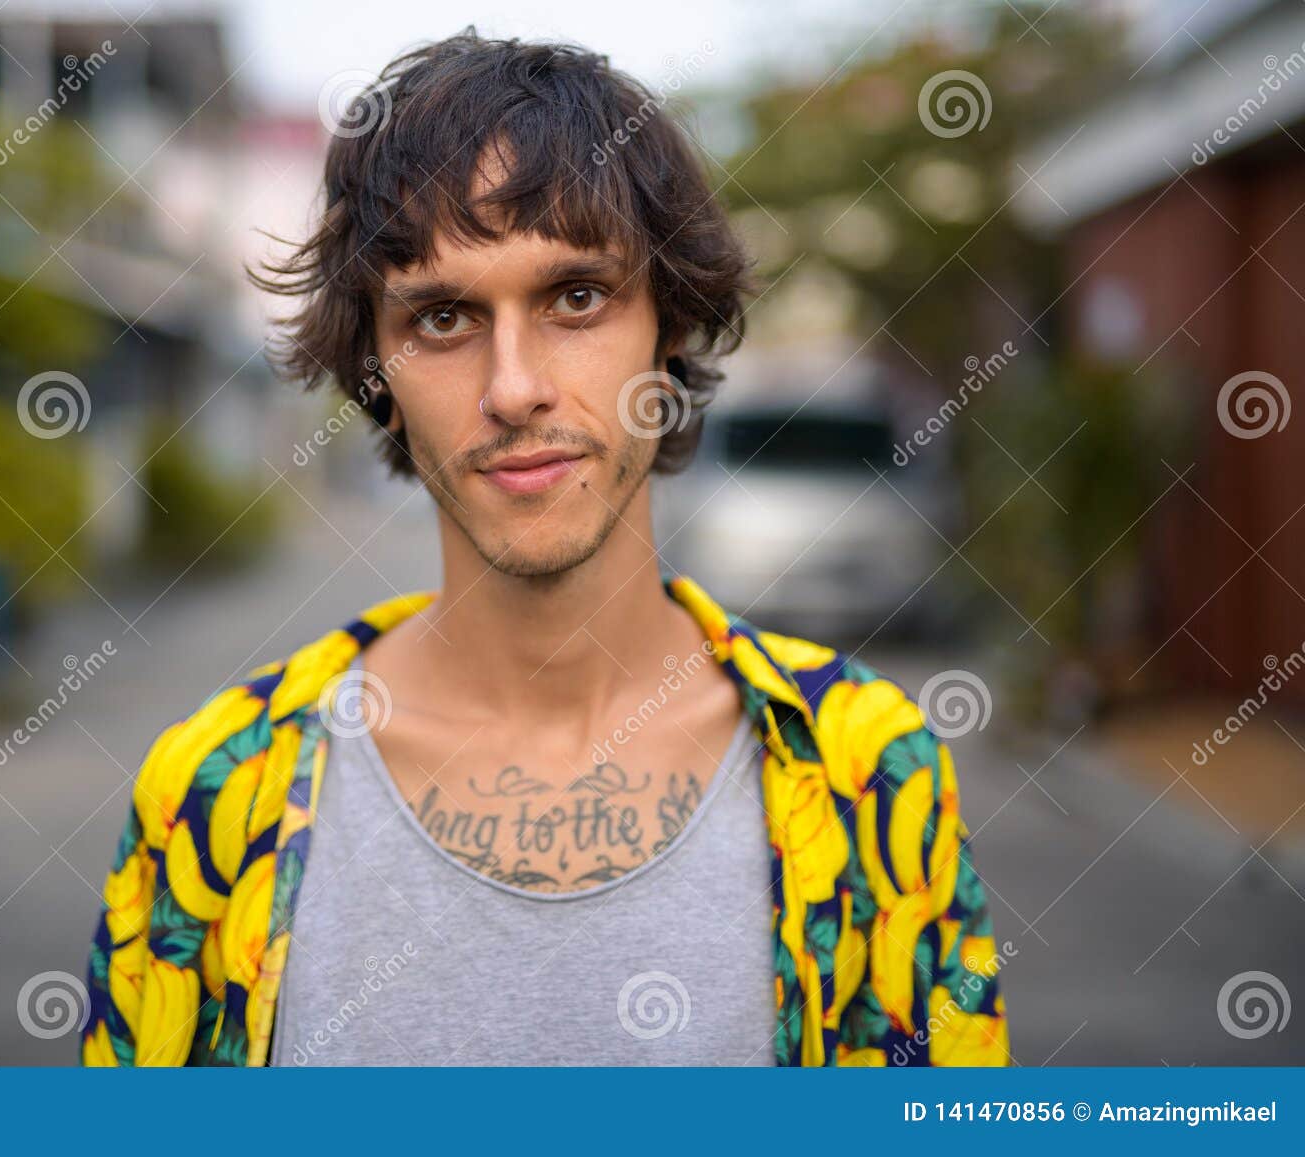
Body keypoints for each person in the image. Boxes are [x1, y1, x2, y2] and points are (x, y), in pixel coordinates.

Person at [79, 28, 1010, 1068]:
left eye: (575, 296)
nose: (513, 386)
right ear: (375, 366)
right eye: (440, 316)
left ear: (669, 329)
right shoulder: (213, 788)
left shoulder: (867, 769)